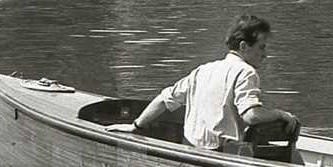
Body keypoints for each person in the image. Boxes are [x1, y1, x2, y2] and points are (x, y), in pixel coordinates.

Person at [120, 12, 300, 153]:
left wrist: (136, 127)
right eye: (261, 47)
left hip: (190, 150)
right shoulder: (246, 72)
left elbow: (163, 100)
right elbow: (251, 116)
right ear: (244, 47)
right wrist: (280, 114)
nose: (265, 54)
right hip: (222, 156)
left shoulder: (202, 70)